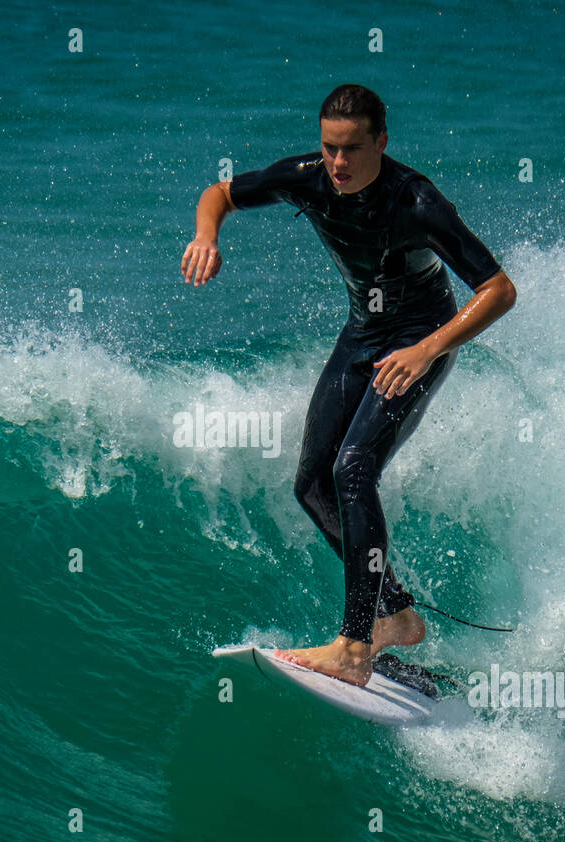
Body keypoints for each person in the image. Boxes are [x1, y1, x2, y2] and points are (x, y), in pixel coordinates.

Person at [180, 84, 516, 686]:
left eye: (352, 150)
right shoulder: (308, 178)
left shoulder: (415, 201)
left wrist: (427, 348)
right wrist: (208, 235)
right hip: (363, 335)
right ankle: (396, 615)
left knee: (353, 469)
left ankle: (355, 648)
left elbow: (498, 290)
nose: (338, 163)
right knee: (312, 484)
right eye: (329, 148)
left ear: (381, 143)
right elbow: (220, 194)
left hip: (419, 341)